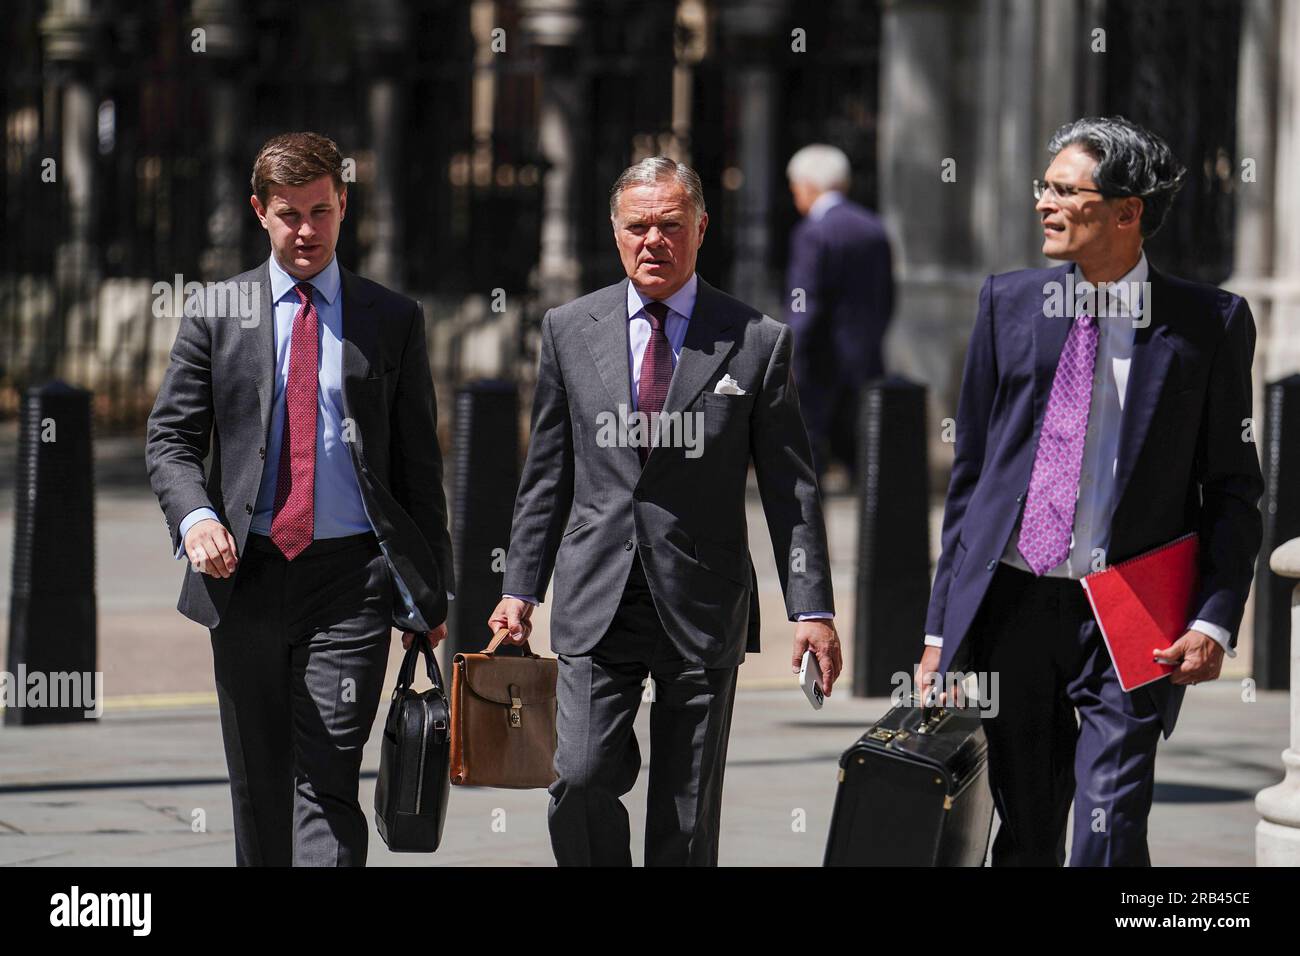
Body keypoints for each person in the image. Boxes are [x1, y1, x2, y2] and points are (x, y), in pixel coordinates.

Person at [917, 116, 1263, 866]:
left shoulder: (1210, 323)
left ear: (1126, 211)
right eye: (1044, 187)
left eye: (1065, 191)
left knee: (1107, 829)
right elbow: (971, 480)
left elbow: (1235, 488)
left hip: (1133, 613)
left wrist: (1215, 618)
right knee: (1030, 828)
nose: (1043, 203)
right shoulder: (1007, 303)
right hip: (1012, 604)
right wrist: (941, 635)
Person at [488, 157, 840, 866]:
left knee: (683, 821)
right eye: (638, 227)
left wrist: (813, 610)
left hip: (702, 600)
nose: (654, 241)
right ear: (615, 234)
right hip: (597, 594)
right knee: (580, 777)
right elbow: (547, 474)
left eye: (671, 226)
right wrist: (519, 588)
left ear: (701, 229)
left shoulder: (756, 341)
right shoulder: (567, 329)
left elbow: (791, 489)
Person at [145, 132, 455, 866]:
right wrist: (197, 519)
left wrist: (429, 593)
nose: (308, 231)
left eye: (322, 211)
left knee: (327, 781)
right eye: (290, 214)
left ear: (343, 205)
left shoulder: (391, 319)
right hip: (242, 577)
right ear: (260, 212)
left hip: (350, 583)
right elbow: (170, 440)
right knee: (258, 784)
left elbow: (419, 471)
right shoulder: (216, 314)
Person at [783, 144, 894, 482]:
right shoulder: (873, 228)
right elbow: (887, 297)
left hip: (818, 365)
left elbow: (804, 303)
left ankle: (812, 536)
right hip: (864, 361)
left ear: (807, 185)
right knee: (867, 460)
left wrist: (787, 356)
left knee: (808, 461)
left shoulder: (813, 233)